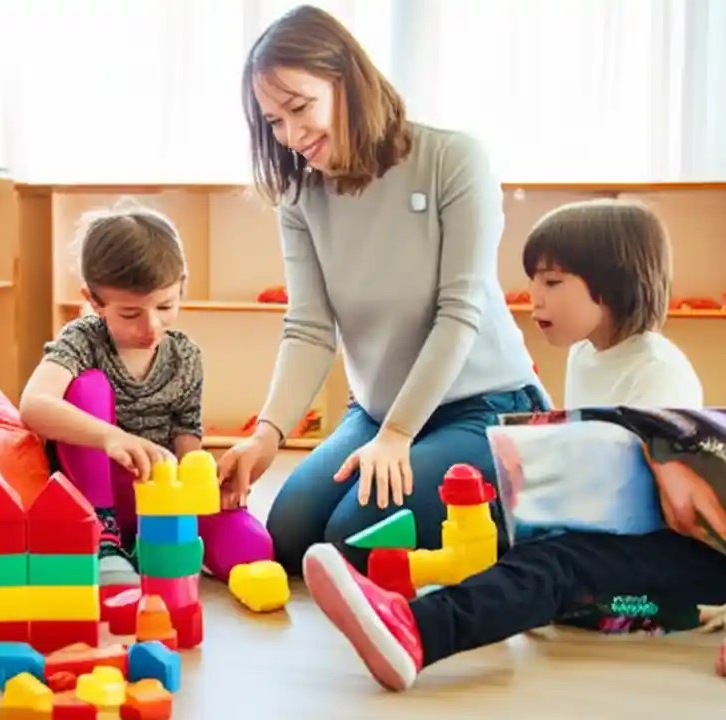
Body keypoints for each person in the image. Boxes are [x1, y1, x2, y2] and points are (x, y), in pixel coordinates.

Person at [301, 198, 726, 691]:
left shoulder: (657, 370)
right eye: (533, 281)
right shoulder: (587, 357)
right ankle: (405, 588)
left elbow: (661, 503)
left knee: (554, 563)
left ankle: (419, 629)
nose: (534, 298)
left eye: (552, 282)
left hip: (681, 568)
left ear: (612, 284)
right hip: (614, 538)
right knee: (505, 534)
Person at [221, 4, 548, 575]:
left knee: (353, 539)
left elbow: (459, 311)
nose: (292, 136)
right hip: (375, 413)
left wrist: (399, 435)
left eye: (299, 108)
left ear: (346, 78)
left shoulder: (453, 159)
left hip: (483, 406)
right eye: (274, 122)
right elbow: (309, 327)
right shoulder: (301, 196)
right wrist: (268, 435)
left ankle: (519, 513)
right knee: (291, 535)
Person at [19, 201, 274, 587]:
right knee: (89, 387)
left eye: (165, 305)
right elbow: (34, 405)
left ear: (181, 285)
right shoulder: (83, 340)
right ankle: (103, 534)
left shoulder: (184, 355)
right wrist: (112, 437)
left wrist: (205, 484)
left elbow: (187, 436)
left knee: (253, 548)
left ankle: (143, 545)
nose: (151, 325)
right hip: (96, 490)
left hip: (161, 498)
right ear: (93, 301)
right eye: (130, 313)